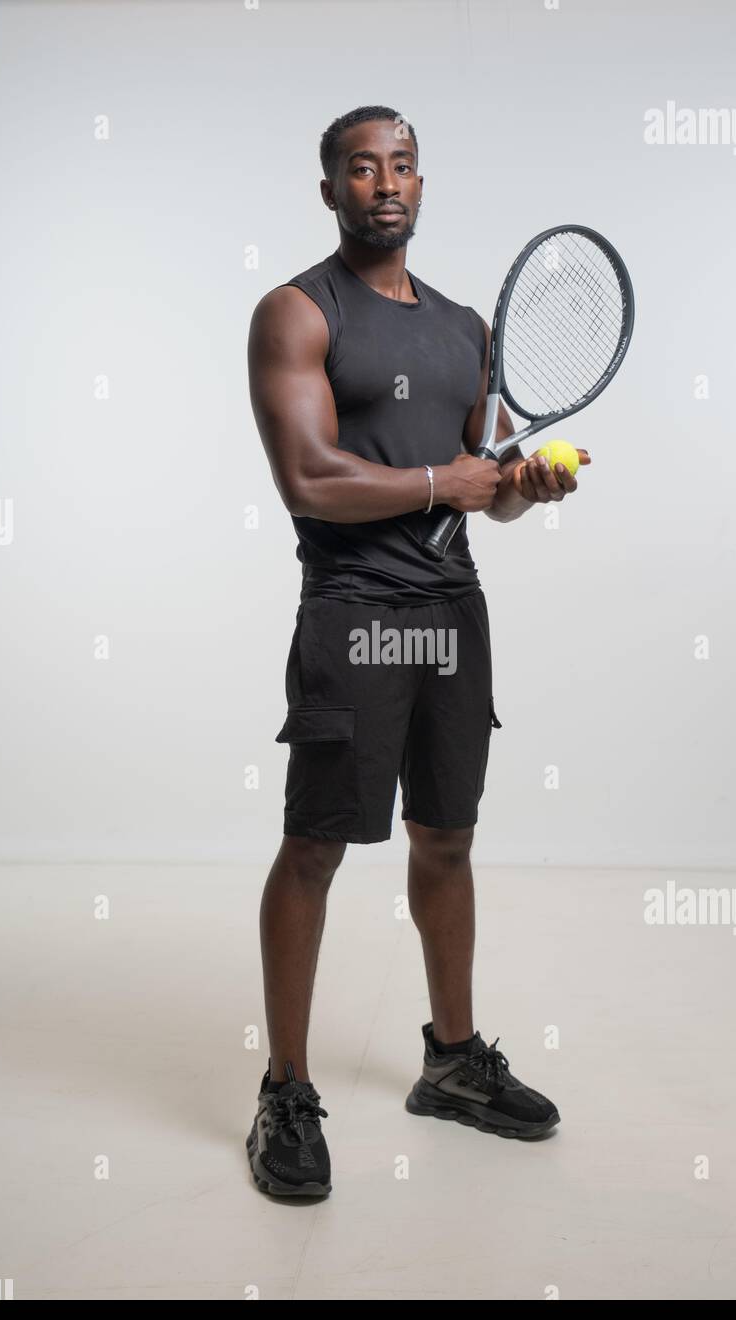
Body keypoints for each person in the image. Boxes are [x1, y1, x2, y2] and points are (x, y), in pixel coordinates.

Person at [245, 105, 584, 1198]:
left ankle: (450, 1060)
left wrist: (522, 491)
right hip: (350, 613)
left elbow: (483, 492)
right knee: (315, 846)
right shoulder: (297, 312)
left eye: (399, 166)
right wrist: (449, 482)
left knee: (446, 839)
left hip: (451, 613)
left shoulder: (465, 328)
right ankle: (284, 1092)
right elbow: (309, 476)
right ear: (330, 191)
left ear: (421, 186)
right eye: (359, 168)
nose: (382, 183)